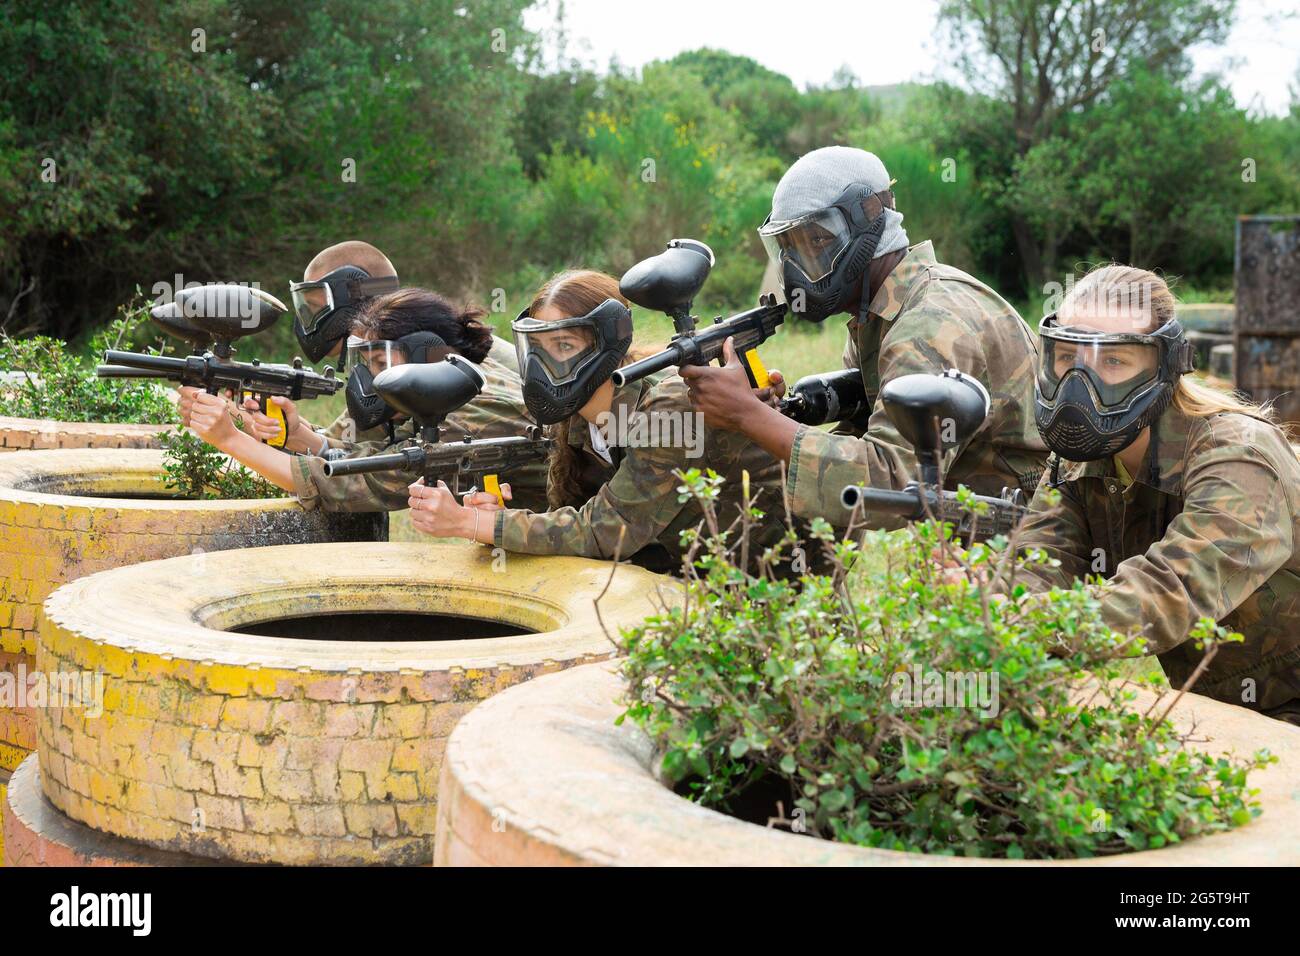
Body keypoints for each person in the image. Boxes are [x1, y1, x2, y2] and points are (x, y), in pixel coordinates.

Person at [679, 146, 1047, 528]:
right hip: (976, 535)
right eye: (787, 248)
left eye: (816, 242)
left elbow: (895, 489)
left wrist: (747, 414)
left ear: (867, 224)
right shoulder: (878, 312)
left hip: (1037, 547)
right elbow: (859, 438)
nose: (796, 268)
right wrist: (777, 415)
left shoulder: (929, 322)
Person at [1011, 264, 1300, 724]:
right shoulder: (1077, 462)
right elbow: (1037, 566)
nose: (1082, 386)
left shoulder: (1237, 457)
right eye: (1068, 357)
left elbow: (1171, 592)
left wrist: (1028, 625)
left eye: (1114, 361)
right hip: (1235, 709)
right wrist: (988, 607)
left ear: (1163, 369)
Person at [404, 270, 793, 574]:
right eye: (537, 348)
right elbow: (575, 528)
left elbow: (607, 531)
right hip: (689, 562)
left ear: (606, 345)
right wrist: (497, 518)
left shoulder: (671, 404)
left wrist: (471, 524)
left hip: (775, 573)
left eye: (565, 346)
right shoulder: (577, 417)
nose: (546, 366)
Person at [183, 288, 550, 512]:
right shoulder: (457, 387)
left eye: (379, 363)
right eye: (366, 362)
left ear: (427, 353)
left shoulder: (468, 415)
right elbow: (374, 458)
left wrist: (229, 439)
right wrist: (299, 436)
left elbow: (353, 483)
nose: (368, 379)